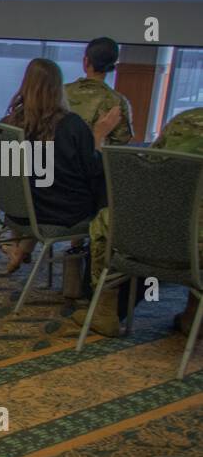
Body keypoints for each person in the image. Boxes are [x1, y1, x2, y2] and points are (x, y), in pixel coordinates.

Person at [86, 106, 203, 337]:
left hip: (143, 237)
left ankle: (104, 309)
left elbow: (149, 167)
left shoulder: (184, 120)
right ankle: (194, 316)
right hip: (194, 252)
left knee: (102, 220)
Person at [0, 57, 120, 273]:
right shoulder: (70, 125)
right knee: (103, 192)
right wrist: (98, 136)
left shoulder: (8, 124)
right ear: (57, 88)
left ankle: (20, 248)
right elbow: (93, 170)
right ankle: (88, 264)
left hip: (18, 209)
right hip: (58, 213)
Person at [65, 38, 133, 147]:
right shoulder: (118, 101)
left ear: (86, 61)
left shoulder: (60, 93)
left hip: (55, 160)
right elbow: (121, 142)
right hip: (94, 160)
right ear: (111, 66)